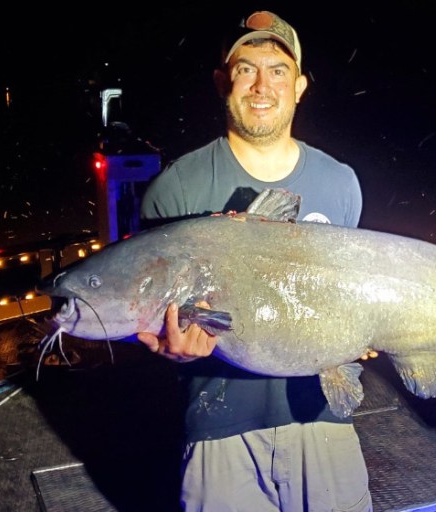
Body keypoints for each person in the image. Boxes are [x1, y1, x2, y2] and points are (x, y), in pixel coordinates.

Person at [136, 10, 373, 512]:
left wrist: (369, 331)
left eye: (279, 70)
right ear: (223, 81)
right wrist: (167, 348)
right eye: (247, 68)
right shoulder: (177, 188)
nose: (262, 84)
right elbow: (151, 309)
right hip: (218, 429)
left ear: (301, 86)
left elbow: (351, 295)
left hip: (323, 421)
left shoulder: (341, 183)